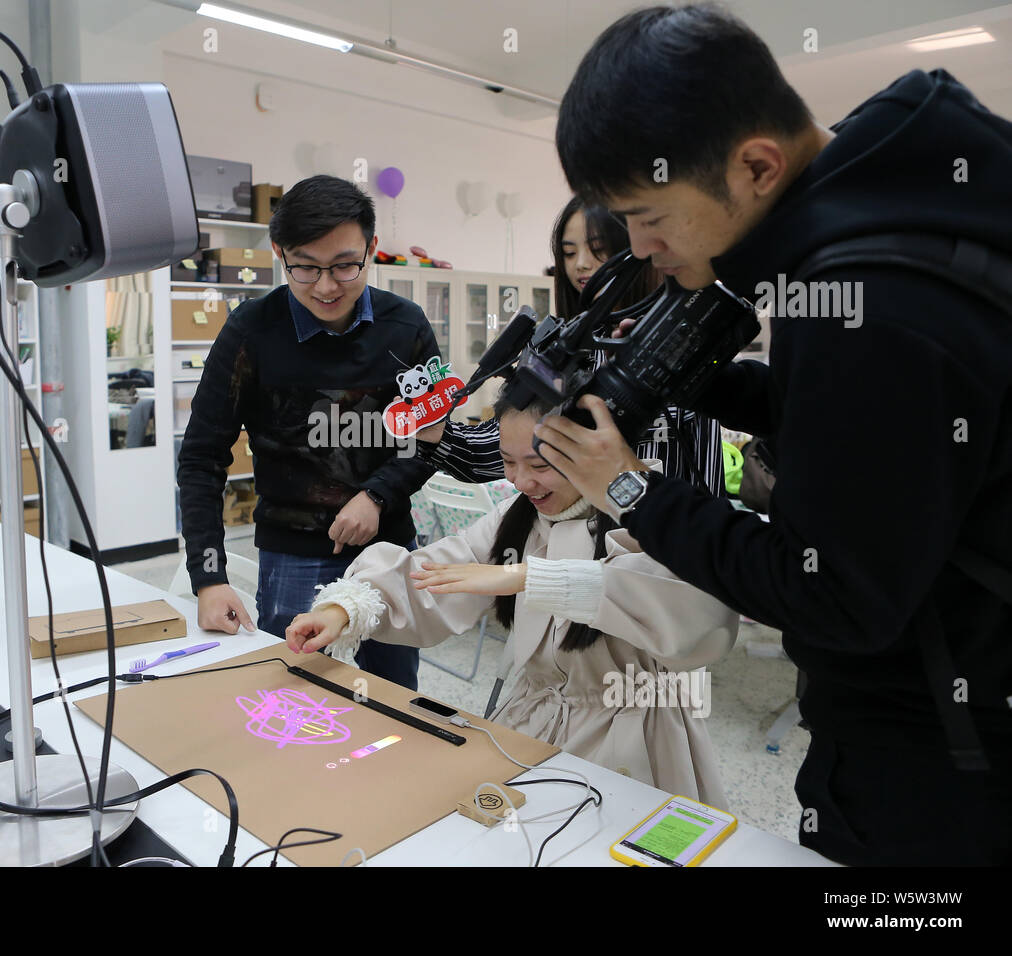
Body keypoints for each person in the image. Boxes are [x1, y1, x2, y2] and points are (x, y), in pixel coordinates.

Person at [538, 4, 1012, 864]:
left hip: (937, 754)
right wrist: (707, 380)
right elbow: (867, 430)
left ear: (757, 165)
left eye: (649, 217)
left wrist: (632, 490)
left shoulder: (871, 307)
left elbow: (838, 597)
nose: (639, 250)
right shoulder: (900, 202)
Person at [285, 385, 738, 805]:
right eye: (508, 462)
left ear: (602, 448)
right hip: (534, 723)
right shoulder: (516, 516)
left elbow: (697, 618)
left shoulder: (655, 513)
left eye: (540, 465)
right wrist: (344, 607)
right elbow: (436, 572)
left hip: (636, 736)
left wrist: (531, 577)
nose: (521, 481)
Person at [177, 175, 438, 690]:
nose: (325, 286)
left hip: (385, 555)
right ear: (278, 253)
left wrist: (377, 497)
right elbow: (202, 456)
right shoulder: (251, 331)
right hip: (291, 553)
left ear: (372, 249)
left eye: (345, 265)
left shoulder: (405, 327)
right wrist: (208, 577)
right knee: (291, 695)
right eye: (305, 266)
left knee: (393, 697)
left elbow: (429, 439)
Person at [414, 198, 725, 496]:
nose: (581, 265)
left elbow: (704, 459)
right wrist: (438, 435)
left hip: (662, 535)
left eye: (598, 249)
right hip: (578, 543)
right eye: (569, 252)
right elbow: (509, 448)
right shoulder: (555, 346)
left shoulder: (680, 339)